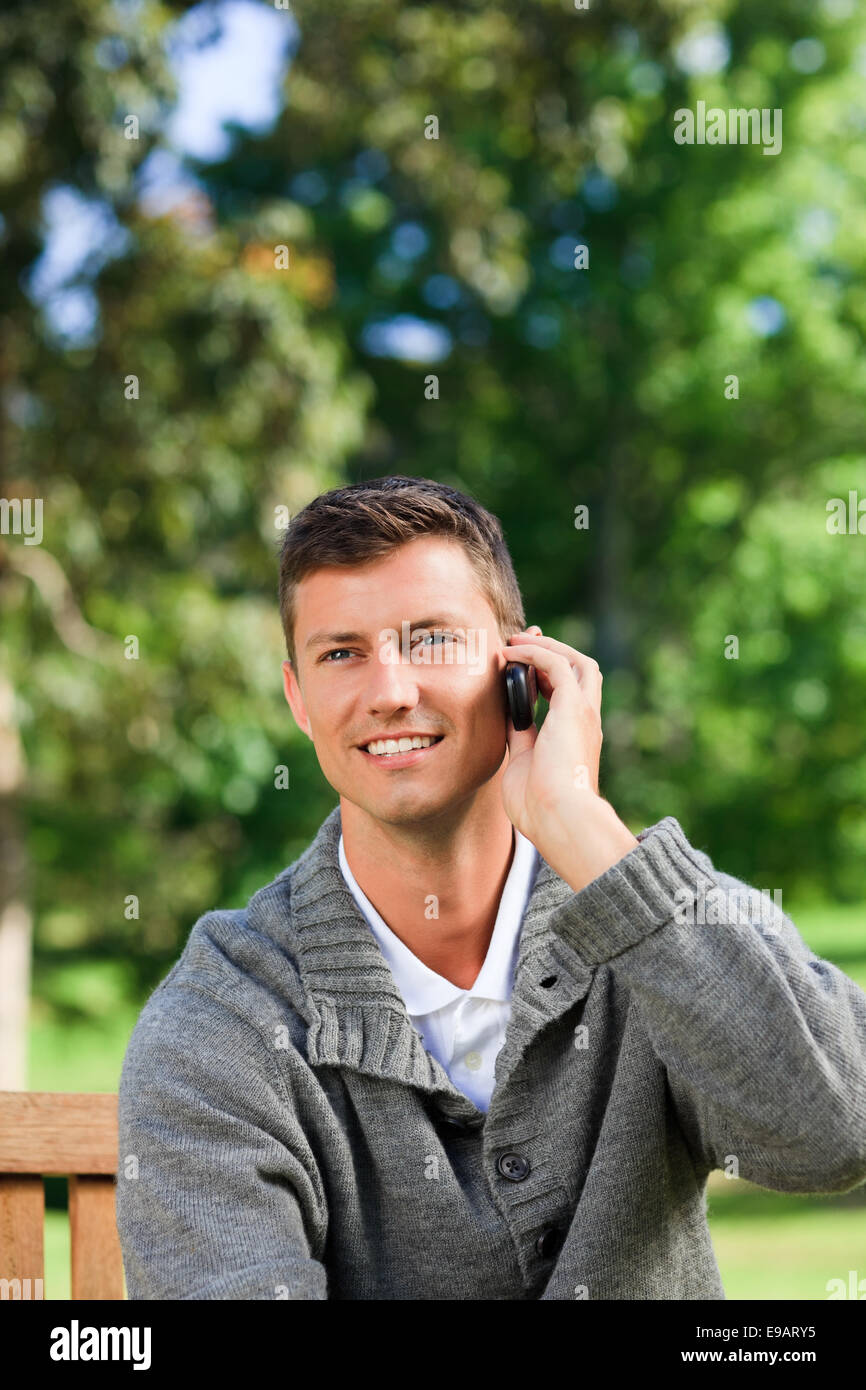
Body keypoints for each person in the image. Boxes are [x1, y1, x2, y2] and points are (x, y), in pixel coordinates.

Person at [116, 474, 866, 1300]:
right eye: (342, 654)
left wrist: (581, 825)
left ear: (521, 670)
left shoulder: (655, 920)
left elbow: (834, 1136)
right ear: (298, 697)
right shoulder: (224, 1018)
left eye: (431, 639)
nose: (391, 692)